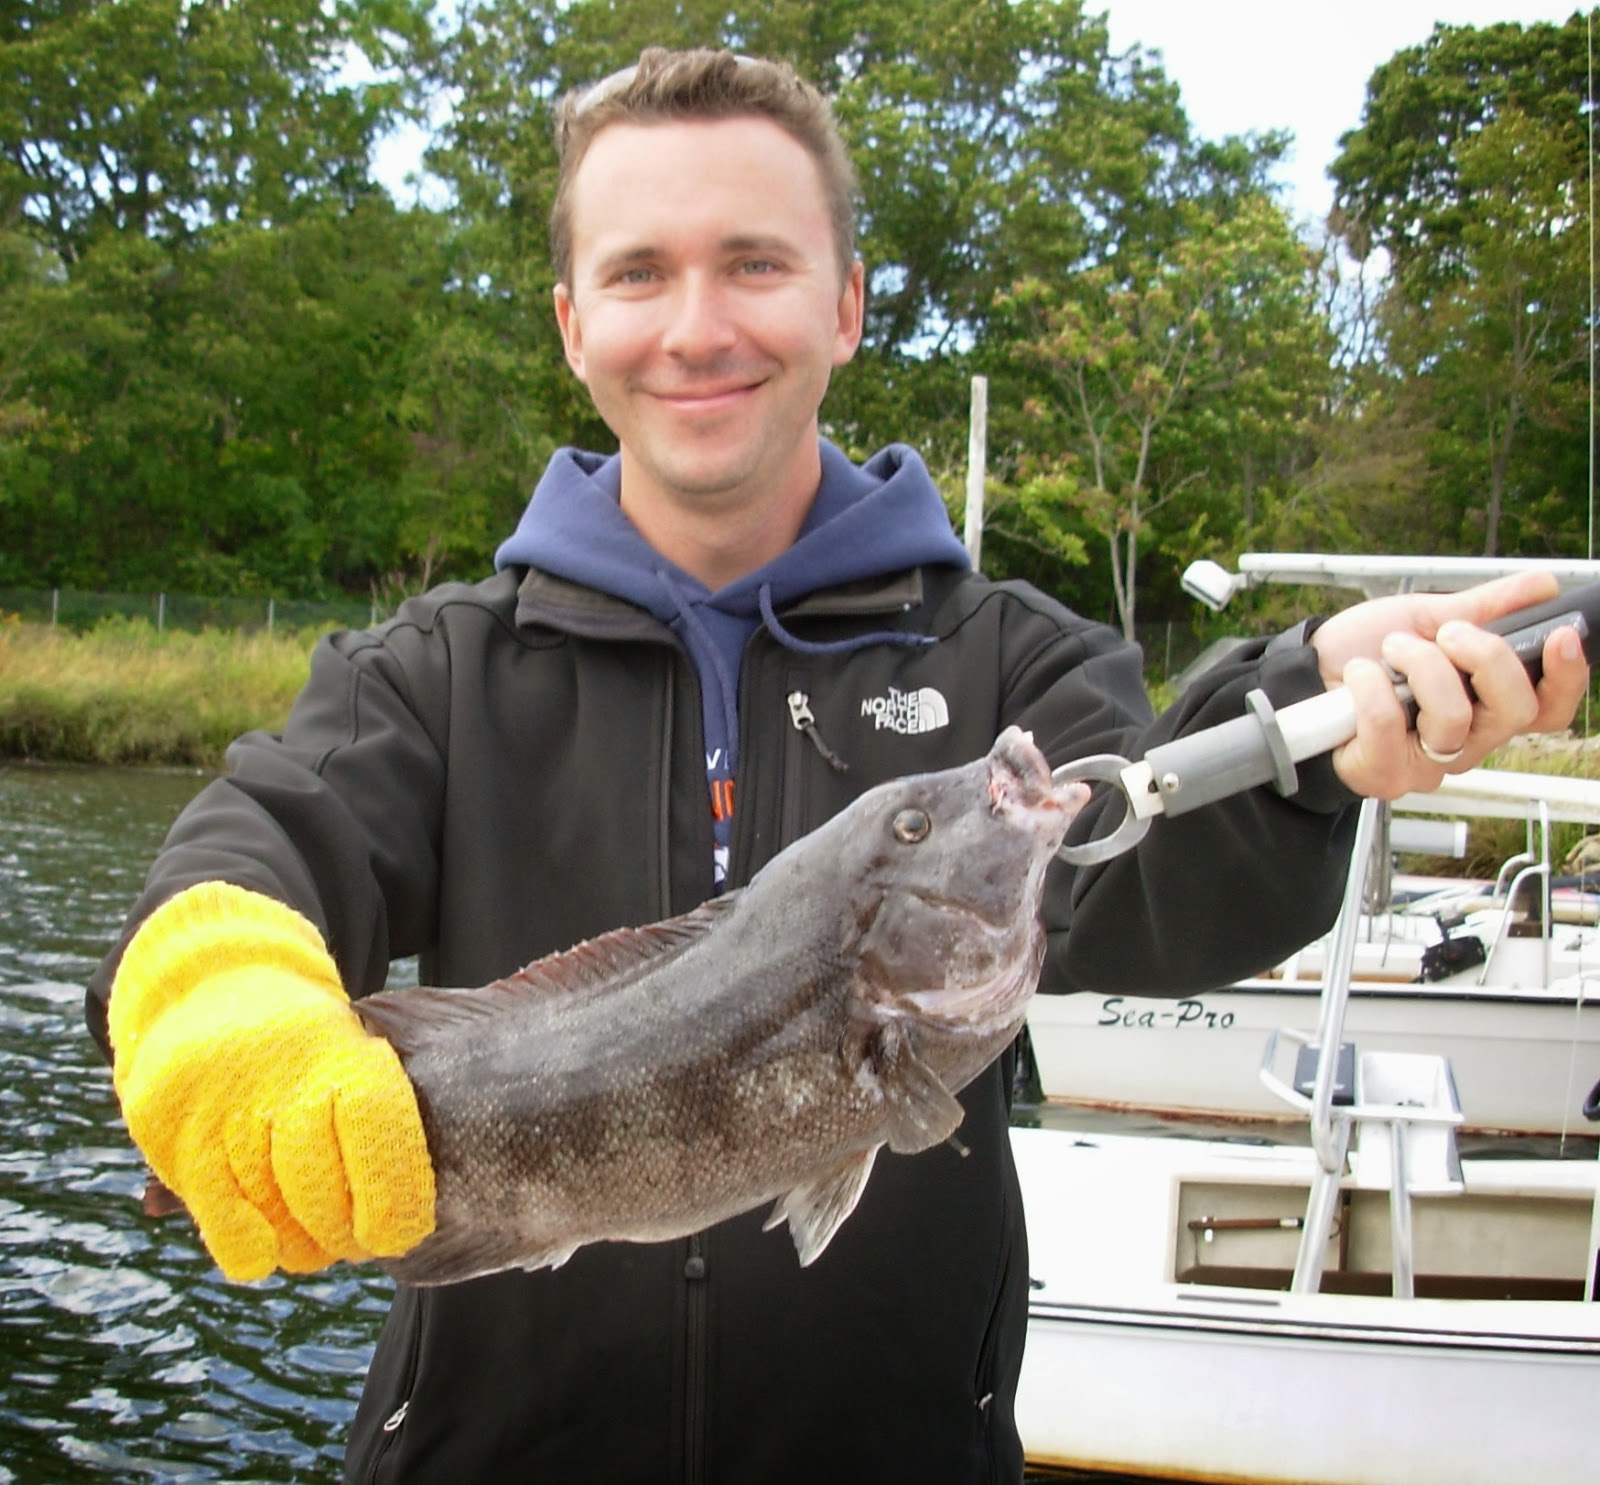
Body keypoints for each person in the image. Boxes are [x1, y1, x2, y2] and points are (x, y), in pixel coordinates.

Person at [86, 47, 1590, 1485]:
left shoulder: (1014, 662)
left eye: (754, 262)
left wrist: (1306, 720)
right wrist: (216, 999)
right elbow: (266, 831)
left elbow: (1138, 836)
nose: (696, 325)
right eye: (637, 272)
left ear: (849, 304)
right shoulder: (430, 672)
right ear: (569, 323)